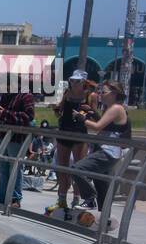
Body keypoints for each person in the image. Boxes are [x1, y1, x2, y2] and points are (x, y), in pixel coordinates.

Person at [68, 81, 131, 220]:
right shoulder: (111, 108)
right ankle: (104, 219)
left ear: (114, 94)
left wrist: (82, 118)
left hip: (107, 152)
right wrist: (92, 113)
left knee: (76, 170)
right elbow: (106, 125)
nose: (100, 95)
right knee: (102, 186)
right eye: (100, 92)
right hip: (108, 151)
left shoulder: (116, 108)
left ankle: (90, 198)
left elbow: (97, 127)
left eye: (104, 92)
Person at [46, 70, 96, 215]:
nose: (74, 83)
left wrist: (87, 112)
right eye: (72, 80)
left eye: (77, 81)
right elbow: (60, 109)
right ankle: (61, 199)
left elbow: (94, 116)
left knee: (77, 169)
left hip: (79, 133)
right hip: (64, 130)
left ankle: (77, 199)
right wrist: (56, 109)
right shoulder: (67, 92)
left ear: (84, 82)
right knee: (62, 167)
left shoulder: (90, 95)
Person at [0, 79, 36, 208]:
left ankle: (15, 198)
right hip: (2, 136)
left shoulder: (26, 96)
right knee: (2, 167)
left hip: (16, 138)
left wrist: (4, 113)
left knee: (15, 168)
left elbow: (29, 116)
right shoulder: (5, 96)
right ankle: (2, 196)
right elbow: (1, 113)